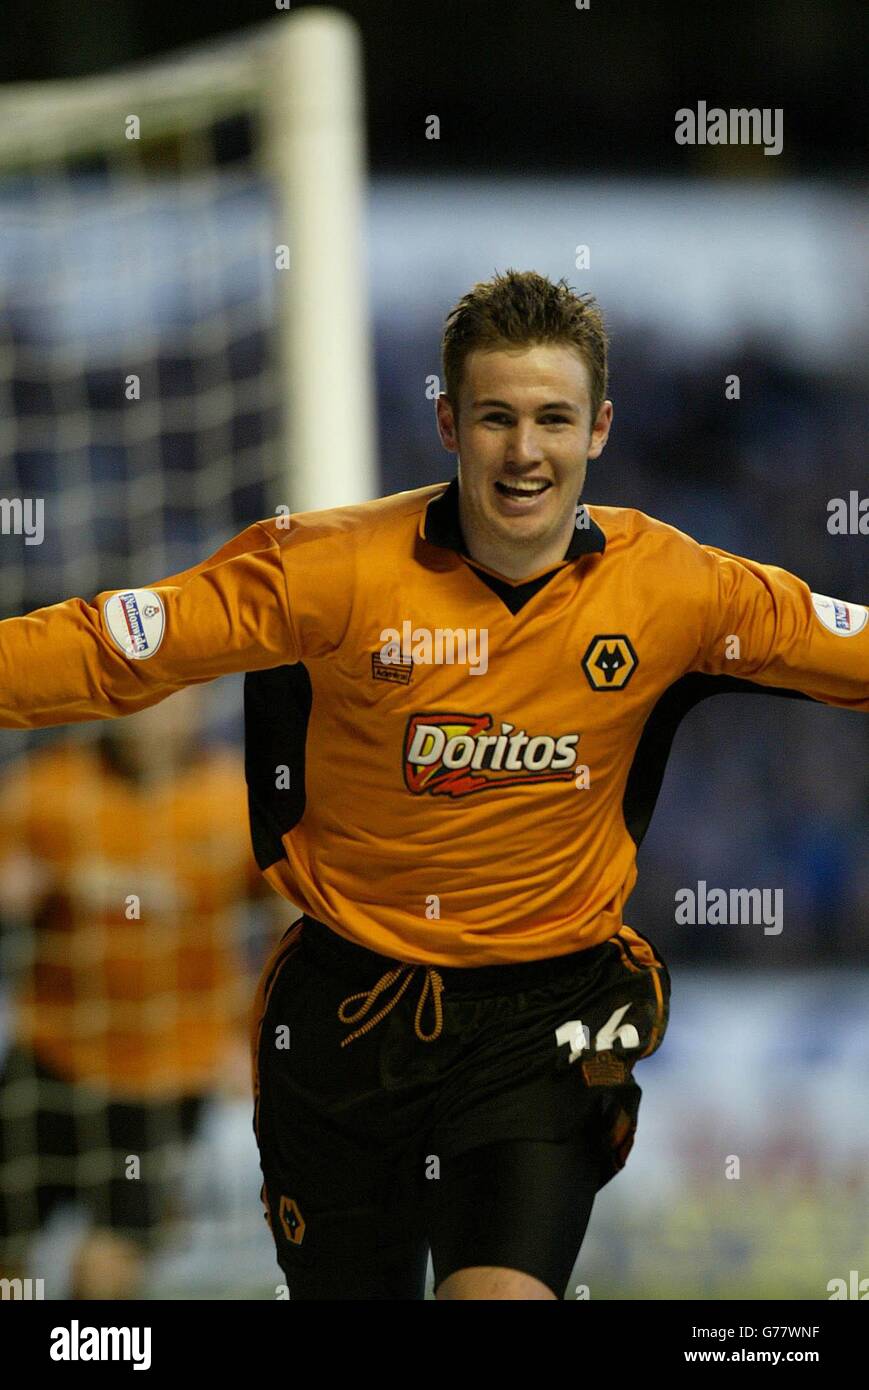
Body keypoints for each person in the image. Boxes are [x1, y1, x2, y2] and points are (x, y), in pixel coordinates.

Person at [0, 270, 865, 1300]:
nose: (523, 449)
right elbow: (118, 648)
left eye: (552, 417)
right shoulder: (331, 571)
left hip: (544, 1015)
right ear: (449, 420)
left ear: (598, 429)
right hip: (345, 1014)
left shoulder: (676, 590)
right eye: (495, 416)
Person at [0, 689, 271, 1297]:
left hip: (168, 1078)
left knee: (104, 1271)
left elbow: (288, 916)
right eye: (140, 702)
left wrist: (252, 1036)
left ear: (199, 706)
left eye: (172, 702)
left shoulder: (235, 801)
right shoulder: (47, 787)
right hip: (51, 1060)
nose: (153, 718)